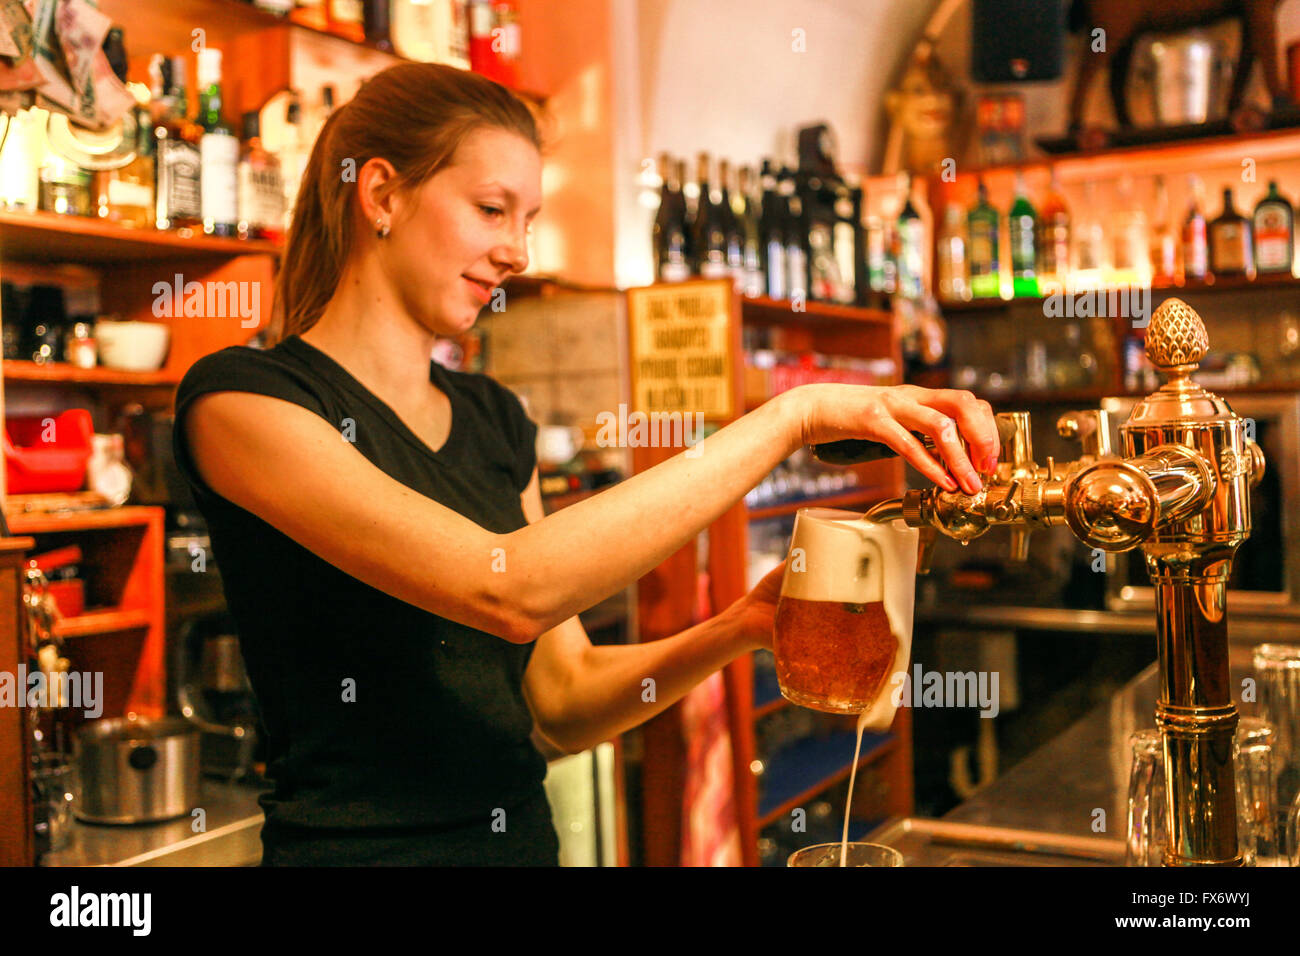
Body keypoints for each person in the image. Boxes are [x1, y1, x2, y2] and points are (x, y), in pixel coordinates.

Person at [172, 62, 999, 866]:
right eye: (493, 209)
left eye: (528, 219)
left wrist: (736, 628)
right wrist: (792, 415)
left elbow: (562, 701)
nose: (518, 252)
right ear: (381, 194)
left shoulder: (492, 418)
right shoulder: (244, 402)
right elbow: (505, 587)